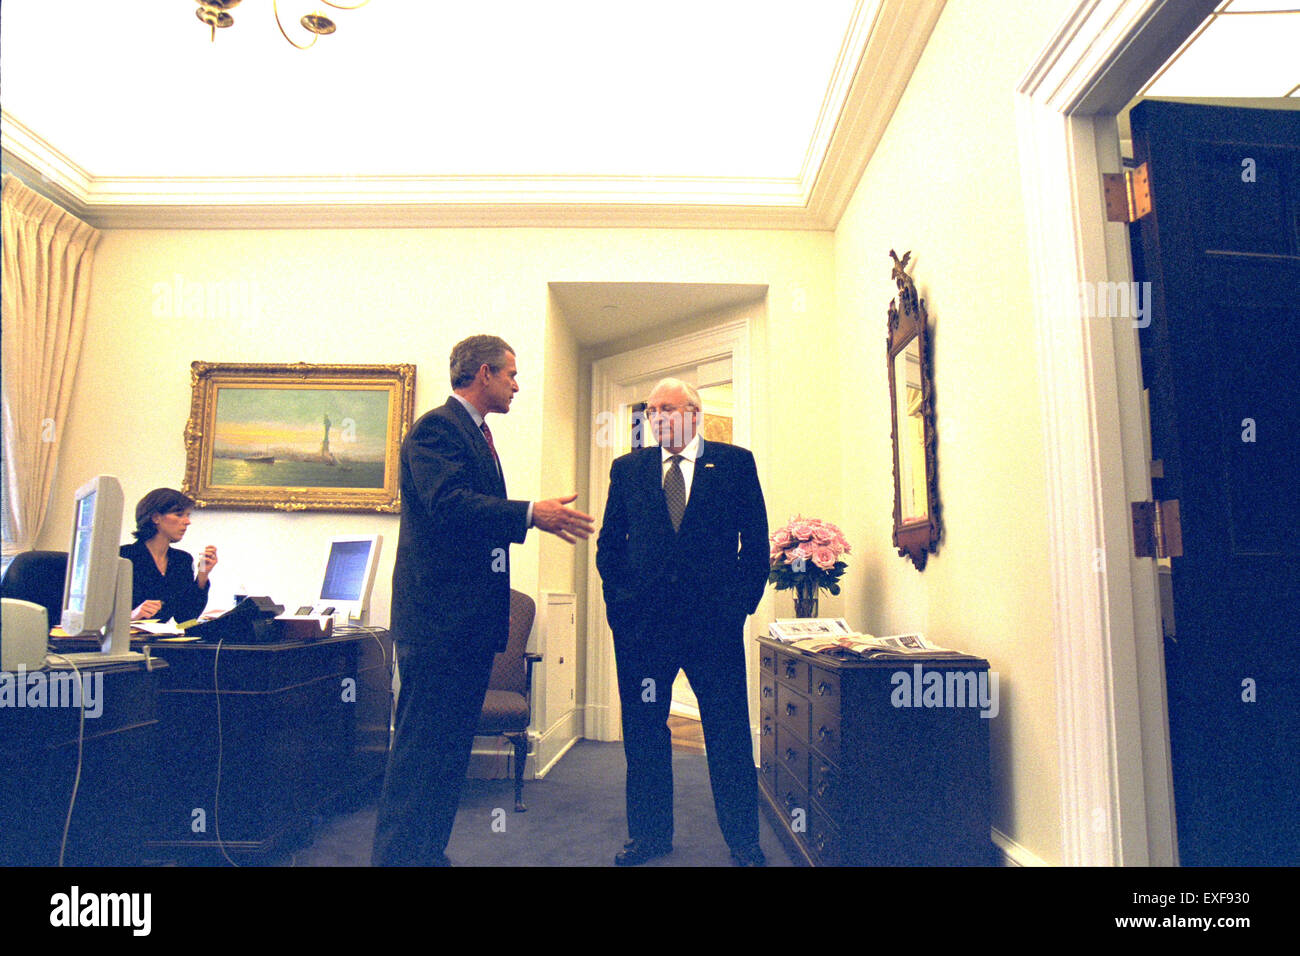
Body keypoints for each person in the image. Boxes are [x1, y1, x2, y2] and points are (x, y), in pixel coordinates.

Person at [371, 334, 594, 867]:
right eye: (511, 374)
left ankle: (427, 855)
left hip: (465, 628)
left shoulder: (477, 435)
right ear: (483, 373)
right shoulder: (437, 429)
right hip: (438, 626)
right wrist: (529, 514)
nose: (517, 385)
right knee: (421, 755)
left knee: (446, 755)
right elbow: (448, 505)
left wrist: (524, 515)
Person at [596, 378, 770, 866]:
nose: (656, 418)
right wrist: (620, 609)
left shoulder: (735, 463)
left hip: (712, 629)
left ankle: (743, 841)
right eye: (650, 411)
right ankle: (649, 838)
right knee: (645, 732)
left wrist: (737, 606)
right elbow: (610, 546)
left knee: (728, 731)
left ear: (694, 412)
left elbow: (755, 545)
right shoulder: (627, 469)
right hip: (643, 631)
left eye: (666, 409)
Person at [119, 488, 217, 624]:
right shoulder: (123, 556)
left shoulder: (182, 560)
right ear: (155, 518)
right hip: (125, 642)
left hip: (161, 642)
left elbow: (185, 617)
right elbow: (100, 612)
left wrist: (202, 574)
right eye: (179, 514)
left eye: (188, 515)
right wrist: (131, 615)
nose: (187, 521)